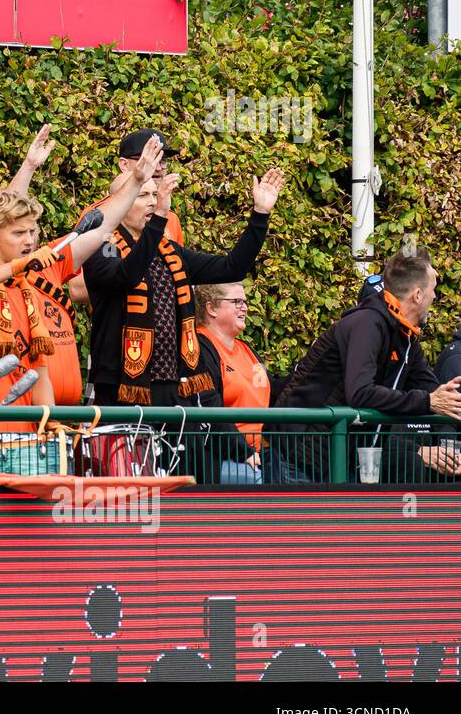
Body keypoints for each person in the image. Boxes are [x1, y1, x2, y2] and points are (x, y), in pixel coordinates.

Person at [0, 135, 163, 413]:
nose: (29, 241)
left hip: (50, 419)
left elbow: (99, 227)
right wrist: (28, 168)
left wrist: (137, 181)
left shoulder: (46, 260)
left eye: (32, 232)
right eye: (20, 233)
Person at [81, 168, 284, 411]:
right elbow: (127, 275)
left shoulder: (170, 252)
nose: (152, 202)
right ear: (118, 203)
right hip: (121, 387)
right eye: (141, 194)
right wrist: (159, 219)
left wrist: (260, 215)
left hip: (173, 387)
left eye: (154, 194)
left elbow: (232, 268)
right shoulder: (100, 245)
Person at [270, 250, 461, 483]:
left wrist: (442, 402)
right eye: (433, 290)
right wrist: (427, 401)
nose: (434, 297)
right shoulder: (368, 323)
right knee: (309, 521)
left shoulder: (406, 337)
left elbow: (434, 390)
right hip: (298, 459)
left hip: (337, 460)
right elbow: (360, 393)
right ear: (418, 295)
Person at [70, 127, 184, 305]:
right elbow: (77, 289)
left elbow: (180, 276)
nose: (158, 167)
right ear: (124, 165)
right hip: (119, 322)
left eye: (163, 160)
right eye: (148, 158)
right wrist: (135, 275)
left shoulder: (171, 218)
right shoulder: (98, 215)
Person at [194, 282, 275, 484]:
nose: (245, 308)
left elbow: (273, 391)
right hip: (229, 457)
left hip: (264, 453)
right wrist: (244, 452)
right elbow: (210, 408)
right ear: (211, 308)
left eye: (245, 302)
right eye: (237, 302)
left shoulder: (247, 351)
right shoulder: (200, 348)